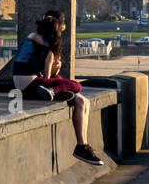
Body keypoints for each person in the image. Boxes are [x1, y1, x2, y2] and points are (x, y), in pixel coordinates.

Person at [12, 10, 102, 165]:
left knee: (82, 101)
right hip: (32, 86)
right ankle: (81, 145)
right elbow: (48, 77)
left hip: (20, 84)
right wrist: (56, 67)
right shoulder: (48, 46)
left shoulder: (31, 38)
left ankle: (83, 145)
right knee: (76, 86)